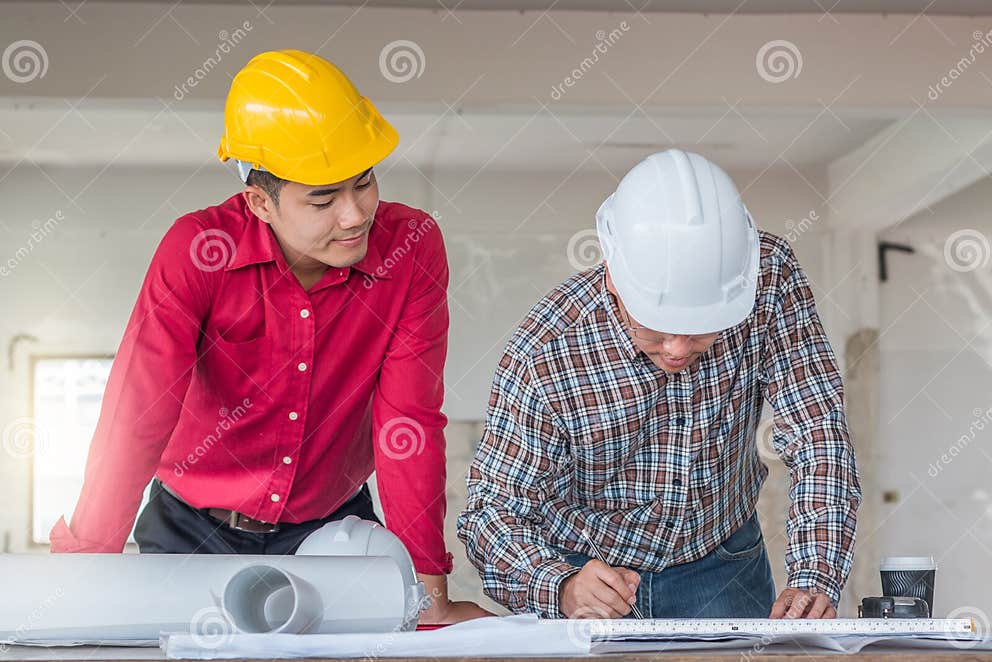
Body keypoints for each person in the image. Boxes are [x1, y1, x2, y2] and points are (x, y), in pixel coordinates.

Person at [50, 49, 488, 624]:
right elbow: (137, 413)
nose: (355, 215)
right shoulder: (198, 253)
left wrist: (429, 597)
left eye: (364, 183)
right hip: (190, 530)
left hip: (330, 532)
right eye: (323, 199)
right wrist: (87, 573)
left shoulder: (411, 248)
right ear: (260, 202)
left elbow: (408, 420)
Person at [458, 149, 862, 620]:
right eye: (656, 325)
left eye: (701, 327)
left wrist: (815, 575)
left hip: (722, 563)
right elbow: (491, 512)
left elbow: (818, 434)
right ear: (613, 278)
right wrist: (560, 587)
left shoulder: (765, 280)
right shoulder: (548, 350)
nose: (677, 348)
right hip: (586, 572)